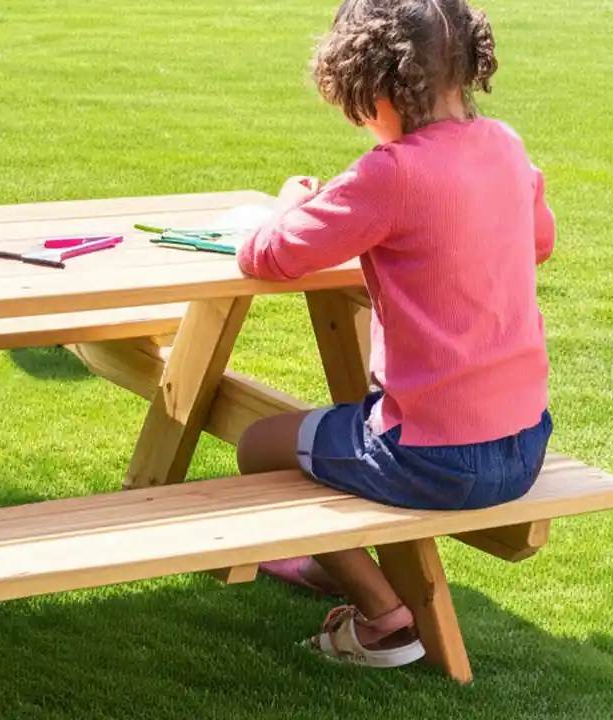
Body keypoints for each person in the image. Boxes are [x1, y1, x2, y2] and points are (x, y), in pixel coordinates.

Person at [235, 0, 555, 668]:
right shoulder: (505, 145)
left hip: (436, 458)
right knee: (346, 430)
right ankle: (335, 571)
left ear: (374, 83)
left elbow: (267, 255)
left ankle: (384, 621)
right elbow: (540, 241)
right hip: (523, 445)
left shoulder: (392, 173)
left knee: (260, 444)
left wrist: (292, 202)